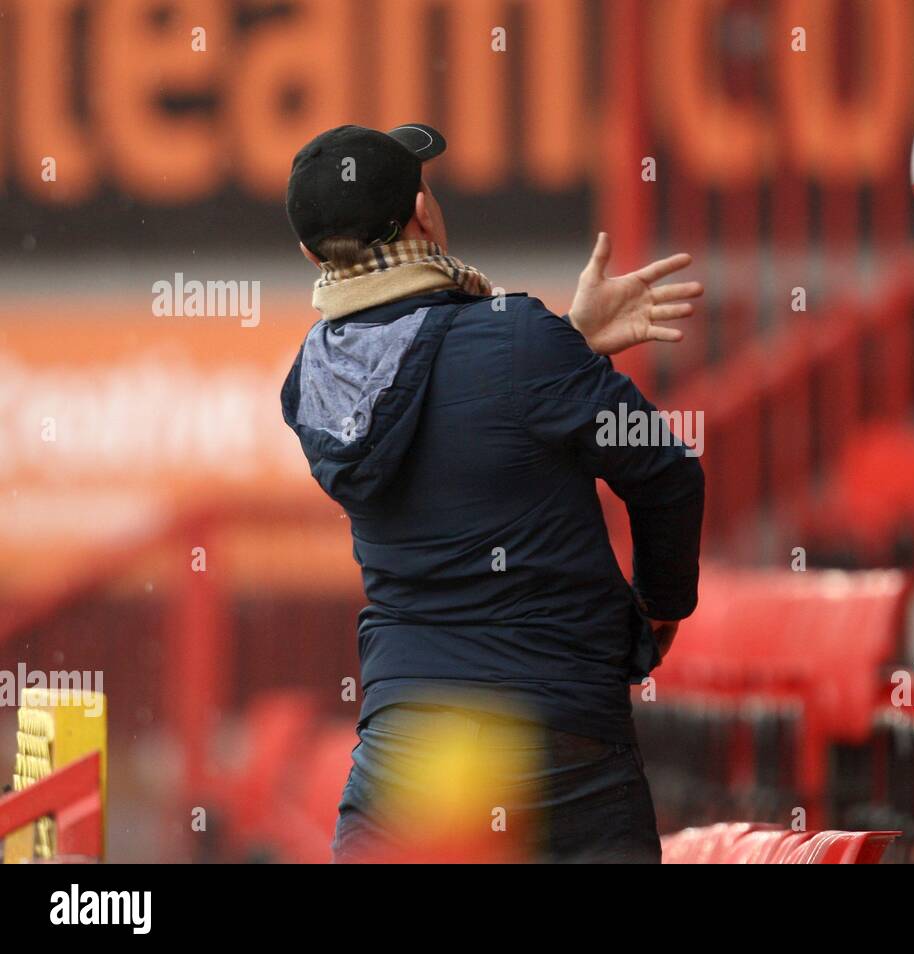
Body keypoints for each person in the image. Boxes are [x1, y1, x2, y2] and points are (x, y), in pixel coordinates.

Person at [281, 124, 705, 862]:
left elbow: (445, 415)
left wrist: (567, 348)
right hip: (560, 743)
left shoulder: (313, 383)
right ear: (423, 213)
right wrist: (661, 609)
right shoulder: (519, 343)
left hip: (406, 752)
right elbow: (666, 473)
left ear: (312, 256)